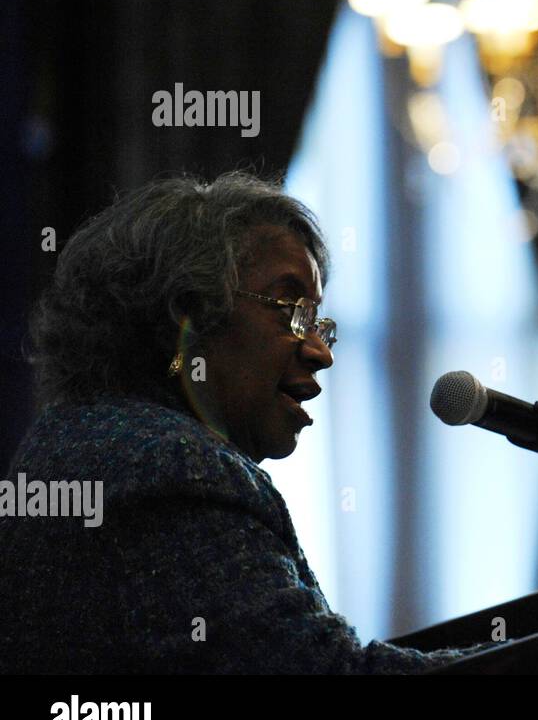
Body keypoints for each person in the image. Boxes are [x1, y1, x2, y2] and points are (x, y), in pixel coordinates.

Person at [0, 171, 486, 673]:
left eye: (317, 321)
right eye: (291, 309)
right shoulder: (171, 468)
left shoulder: (71, 436)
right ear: (188, 314)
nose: (321, 352)